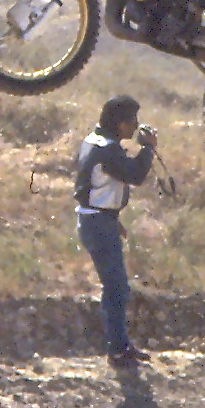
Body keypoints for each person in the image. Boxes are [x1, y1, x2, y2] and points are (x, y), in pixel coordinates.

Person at [74, 95, 157, 368]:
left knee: (115, 286)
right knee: (117, 288)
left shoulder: (92, 141)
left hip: (96, 219)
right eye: (132, 120)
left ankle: (120, 346)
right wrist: (148, 149)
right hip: (99, 224)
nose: (135, 126)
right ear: (120, 123)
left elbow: (91, 184)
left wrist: (113, 216)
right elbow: (135, 175)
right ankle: (118, 350)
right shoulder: (109, 150)